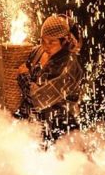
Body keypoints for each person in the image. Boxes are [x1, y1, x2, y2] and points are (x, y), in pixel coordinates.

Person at [16, 14, 83, 142]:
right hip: (34, 125)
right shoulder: (39, 51)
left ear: (65, 41)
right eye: (43, 40)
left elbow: (39, 100)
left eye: (52, 42)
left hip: (60, 127)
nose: (45, 46)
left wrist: (24, 76)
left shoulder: (69, 67)